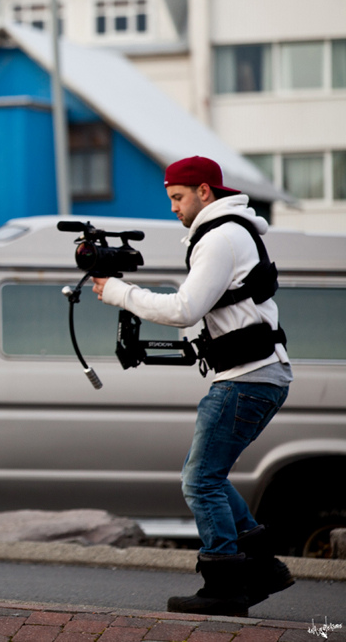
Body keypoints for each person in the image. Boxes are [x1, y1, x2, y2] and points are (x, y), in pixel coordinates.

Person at [91, 156, 293, 616]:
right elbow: (206, 315)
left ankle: (225, 584)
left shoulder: (221, 236)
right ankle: (262, 567)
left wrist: (121, 292)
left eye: (177, 197)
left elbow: (185, 308)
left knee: (199, 480)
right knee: (206, 476)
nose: (173, 208)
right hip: (256, 374)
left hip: (248, 378)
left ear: (205, 191)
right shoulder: (229, 233)